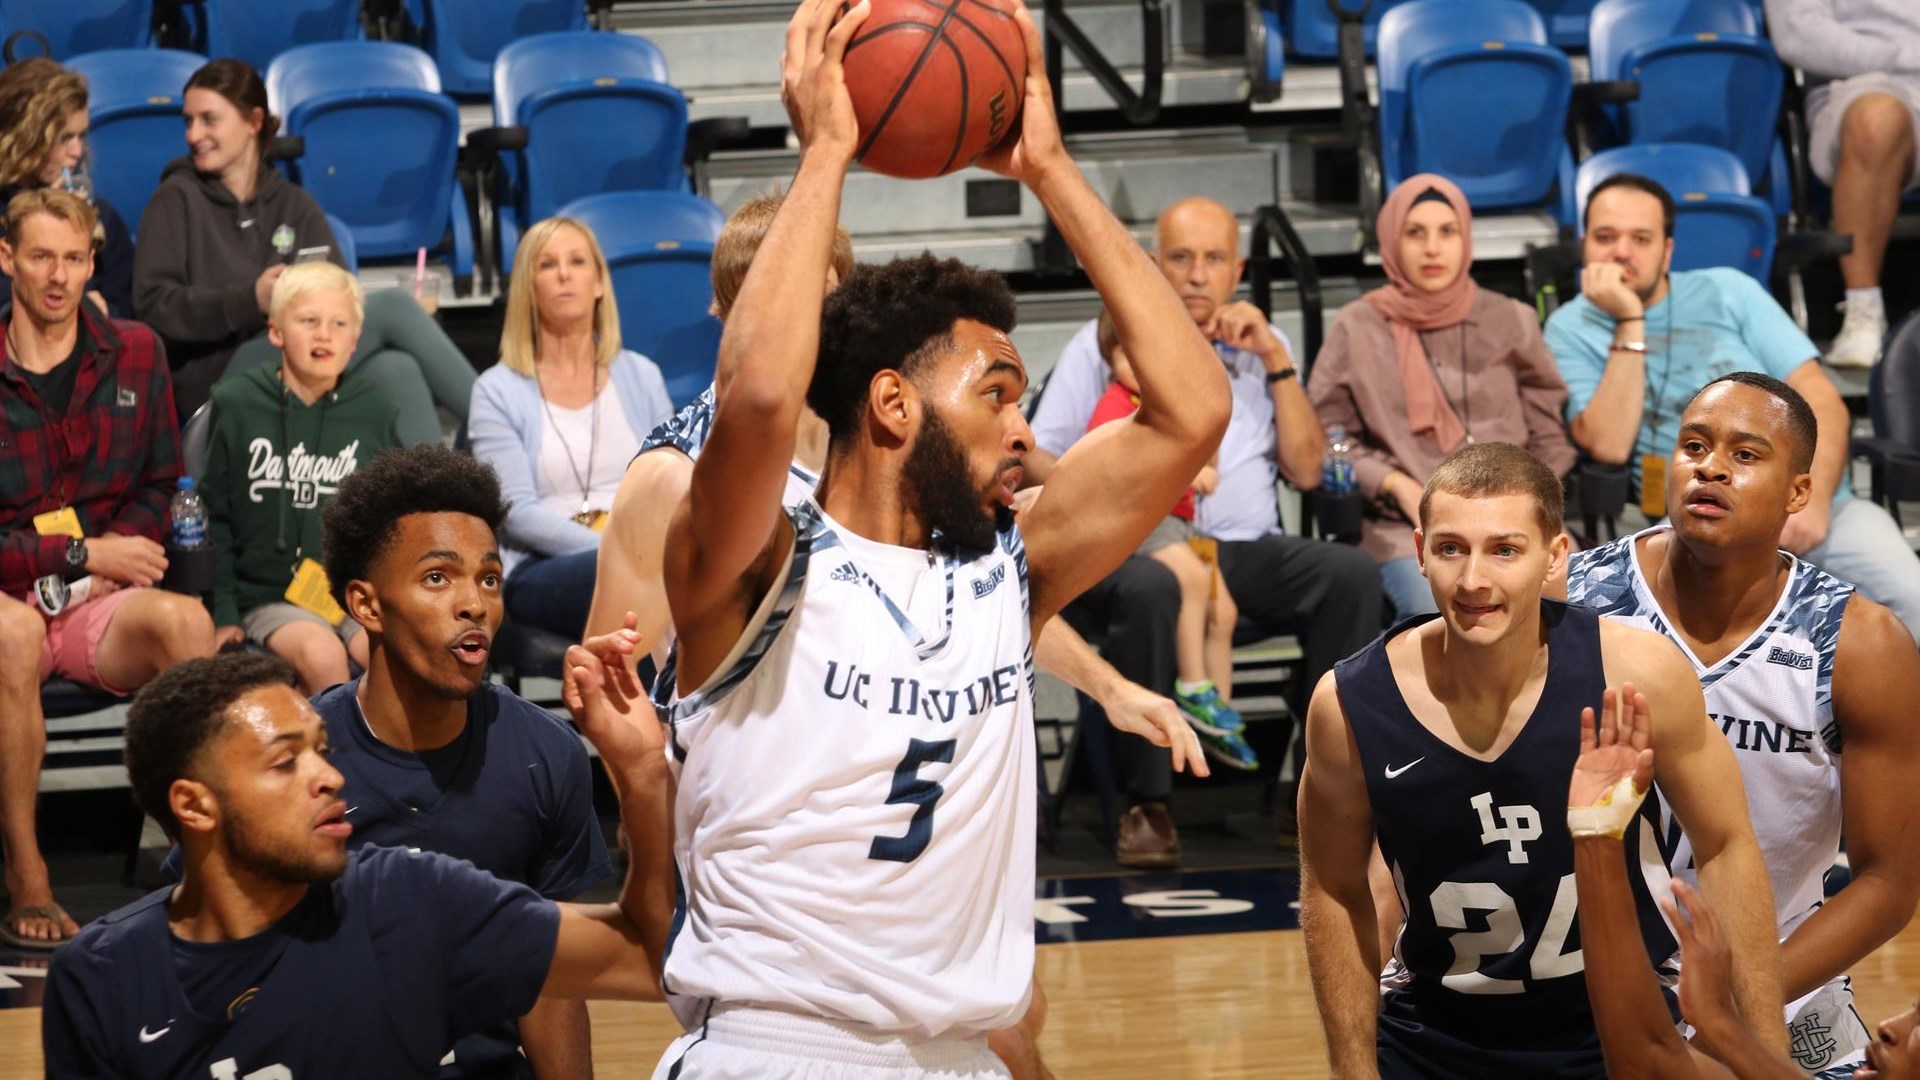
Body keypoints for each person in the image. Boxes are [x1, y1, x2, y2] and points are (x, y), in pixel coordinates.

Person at [651, 0, 1228, 1073]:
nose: (1024, 429)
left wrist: (1050, 169)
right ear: (892, 407)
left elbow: (1192, 410)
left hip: (960, 1054)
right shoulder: (753, 565)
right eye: (996, 394)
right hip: (783, 1049)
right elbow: (763, 392)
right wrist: (826, 151)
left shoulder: (1008, 581)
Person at [1297, 441, 1781, 1078]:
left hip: (1621, 1037)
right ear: (1418, 551)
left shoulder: (1637, 672)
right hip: (1433, 1038)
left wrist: (1770, 1060)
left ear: (1554, 557)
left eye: (1504, 550)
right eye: (1450, 548)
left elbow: (1725, 845)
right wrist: (1353, 1072)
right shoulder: (1349, 703)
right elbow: (1334, 890)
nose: (1474, 580)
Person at [41, 625, 675, 1075]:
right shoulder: (99, 977)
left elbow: (652, 961)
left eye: (323, 749)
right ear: (194, 805)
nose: (329, 777)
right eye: (285, 762)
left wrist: (643, 772)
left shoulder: (408, 899)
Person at [1566, 372, 1920, 1077]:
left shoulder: (1859, 644)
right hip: (1593, 983)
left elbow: (1888, 882)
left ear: (1799, 492)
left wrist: (1728, 1005)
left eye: (1746, 454)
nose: (1712, 466)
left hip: (1783, 988)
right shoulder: (1580, 599)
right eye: (1694, 445)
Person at [1026, 193, 1383, 863]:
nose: (1195, 274)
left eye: (1212, 259)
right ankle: (1147, 805)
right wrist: (1111, 487)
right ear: (1155, 263)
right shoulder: (1105, 341)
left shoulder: (1257, 352)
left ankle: (1321, 794)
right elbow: (1035, 453)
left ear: (1237, 270)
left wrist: (1275, 358)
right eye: (1180, 258)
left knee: (1350, 576)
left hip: (1242, 549)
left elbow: (1308, 471)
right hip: (1135, 546)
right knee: (1153, 590)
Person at [314, 442, 612, 1077]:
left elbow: (550, 980)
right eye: (437, 577)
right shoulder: (298, 763)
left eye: (489, 578)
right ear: (366, 605)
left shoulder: (544, 754)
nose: (475, 603)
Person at [1546, 172, 1920, 640]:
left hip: (1818, 507)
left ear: (1666, 251)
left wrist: (1812, 500)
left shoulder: (1729, 290)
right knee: (1659, 638)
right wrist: (1628, 320)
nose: (1621, 252)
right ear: (1584, 245)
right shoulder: (1568, 327)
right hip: (1697, 520)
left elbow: (1822, 398)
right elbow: (1608, 443)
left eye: (1640, 238)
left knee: (1911, 599)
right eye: (1605, 237)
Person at [0, 187, 216, 950]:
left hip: (99, 598)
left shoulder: (136, 349)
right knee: (14, 637)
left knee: (186, 623)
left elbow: (161, 484)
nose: (57, 277)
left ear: (92, 263)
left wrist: (108, 563)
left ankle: (205, 864)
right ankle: (27, 875)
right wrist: (84, 553)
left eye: (72, 258)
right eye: (39, 258)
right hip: (8, 594)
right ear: (7, 260)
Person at [1569, 689, 1920, 1080]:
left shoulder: (1854, 647)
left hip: (1783, 991)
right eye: (1914, 1011)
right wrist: (1721, 1019)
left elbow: (1646, 1058)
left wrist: (1597, 836)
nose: (1888, 1026)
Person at [131, 58, 473, 431]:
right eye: (188, 121)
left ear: (254, 122)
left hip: (302, 355)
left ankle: (441, 488)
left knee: (395, 368)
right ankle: (502, 423)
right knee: (393, 306)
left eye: (208, 119)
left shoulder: (293, 204)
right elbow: (153, 306)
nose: (193, 135)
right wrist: (250, 301)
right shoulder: (175, 199)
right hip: (218, 379)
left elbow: (341, 294)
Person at [1309, 173, 1575, 620]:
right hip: (1409, 526)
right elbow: (1324, 438)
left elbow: (1549, 433)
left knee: (1575, 604)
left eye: (1447, 232)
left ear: (1465, 239)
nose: (1432, 248)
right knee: (1441, 611)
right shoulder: (1357, 326)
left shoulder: (1512, 319)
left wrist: (1527, 498)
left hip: (1516, 519)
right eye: (1416, 233)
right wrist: (1393, 483)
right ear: (1392, 240)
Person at [469, 216, 672, 642]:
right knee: (655, 578)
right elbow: (517, 513)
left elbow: (669, 487)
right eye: (547, 265)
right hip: (543, 568)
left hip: (644, 553)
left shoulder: (642, 376)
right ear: (528, 288)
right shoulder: (497, 389)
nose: (564, 274)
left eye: (577, 261)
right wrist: (620, 551)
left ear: (599, 283)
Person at [204, 261, 398, 694]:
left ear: (355, 340)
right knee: (322, 653)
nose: (323, 334)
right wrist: (224, 613)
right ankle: (331, 763)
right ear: (276, 332)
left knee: (397, 654)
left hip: (352, 596)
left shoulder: (375, 411)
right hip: (267, 596)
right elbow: (212, 519)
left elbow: (388, 523)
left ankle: (391, 761)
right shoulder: (237, 404)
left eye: (339, 323)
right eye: (308, 320)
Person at [1084, 308, 1249, 763]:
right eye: (1126, 355)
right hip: (1139, 522)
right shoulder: (1117, 406)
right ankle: (1194, 686)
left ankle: (1218, 711)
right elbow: (1111, 466)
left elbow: (1207, 448)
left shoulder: (1172, 403)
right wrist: (1184, 468)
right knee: (1193, 581)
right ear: (1109, 359)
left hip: (1178, 523)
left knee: (1224, 609)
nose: (1140, 367)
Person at [1764, 0, 1920, 369]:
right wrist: (1903, 55)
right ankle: (1863, 312)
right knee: (1877, 120)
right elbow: (1799, 36)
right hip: (1864, 83)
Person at [0, 57, 133, 318]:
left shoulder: (100, 216)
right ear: (22, 138)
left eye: (81, 136)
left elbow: (127, 310)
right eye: (64, 139)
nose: (77, 151)